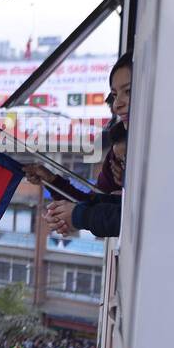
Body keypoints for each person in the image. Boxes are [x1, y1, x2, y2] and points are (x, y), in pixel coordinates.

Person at [41, 53, 130, 239]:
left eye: (128, 92)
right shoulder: (114, 157)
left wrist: (78, 215)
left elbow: (132, 219)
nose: (117, 106)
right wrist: (52, 181)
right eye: (114, 96)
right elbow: (95, 201)